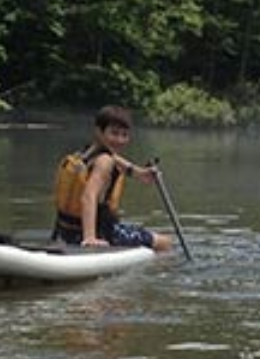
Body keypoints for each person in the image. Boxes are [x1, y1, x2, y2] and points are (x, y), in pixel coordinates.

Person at [52, 105, 173, 251]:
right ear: (99, 131)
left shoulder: (86, 153)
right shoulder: (104, 161)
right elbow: (88, 196)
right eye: (114, 133)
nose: (120, 140)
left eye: (124, 135)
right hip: (98, 233)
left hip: (64, 233)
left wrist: (138, 172)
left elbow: (114, 158)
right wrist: (89, 238)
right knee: (165, 243)